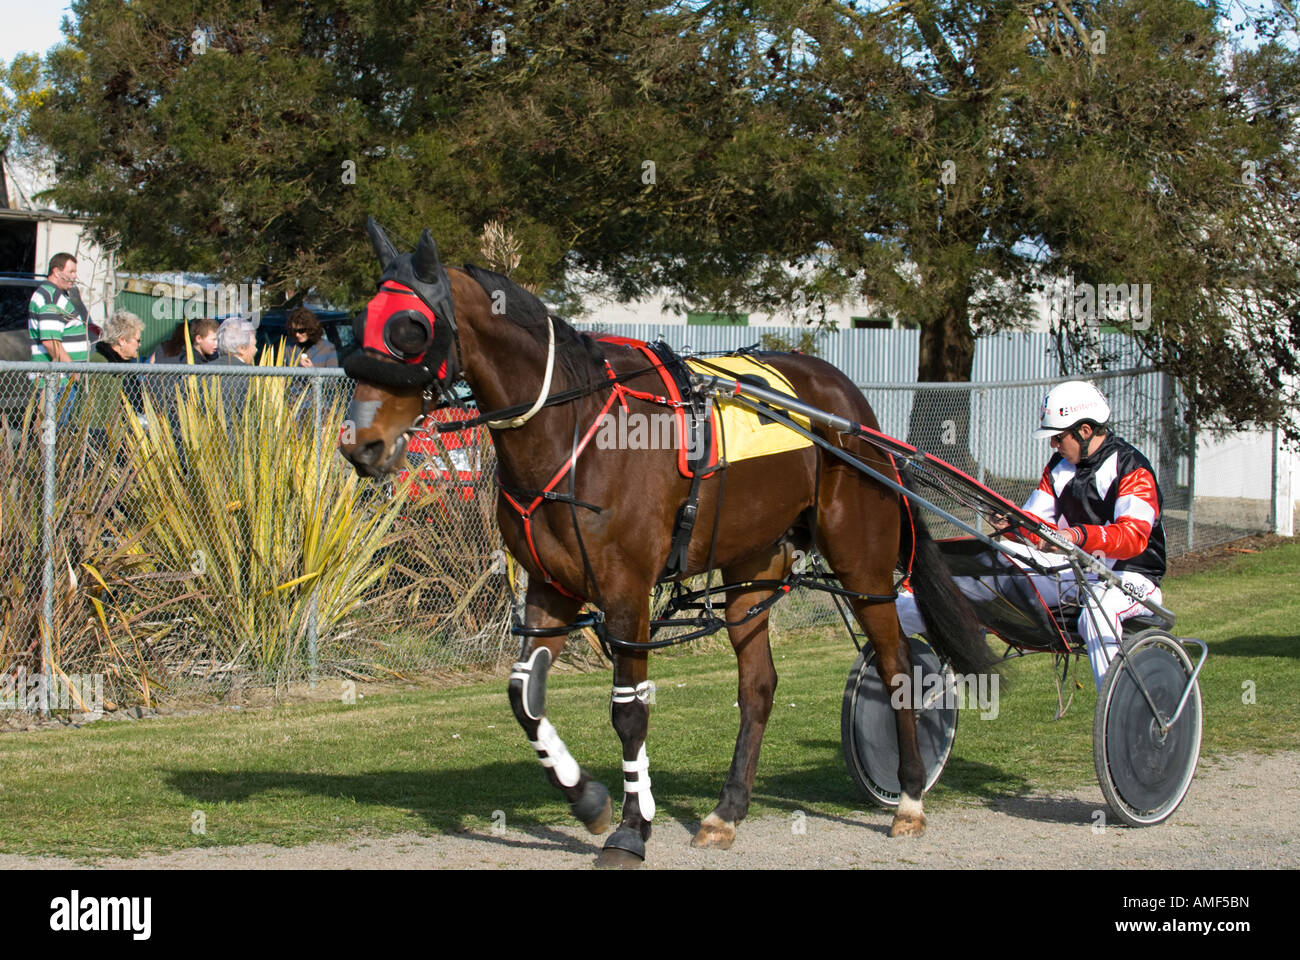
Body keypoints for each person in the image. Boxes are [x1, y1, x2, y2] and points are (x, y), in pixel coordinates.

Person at [896, 380, 1166, 689]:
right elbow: (1036, 527)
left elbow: (1134, 538)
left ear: (1086, 430)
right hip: (1075, 573)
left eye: (1058, 437)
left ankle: (1120, 703)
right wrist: (1010, 522)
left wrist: (1077, 536)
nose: (1053, 445)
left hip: (1132, 579)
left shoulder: (1133, 469)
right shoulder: (1059, 468)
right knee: (996, 565)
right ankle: (904, 614)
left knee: (1095, 615)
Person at [28, 254, 89, 414]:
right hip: (56, 382)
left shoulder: (57, 295)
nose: (75, 277)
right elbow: (50, 342)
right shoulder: (50, 298)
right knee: (54, 433)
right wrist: (74, 370)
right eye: (71, 271)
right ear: (56, 271)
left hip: (61, 380)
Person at [86, 309, 147, 433]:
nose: (139, 345)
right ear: (122, 340)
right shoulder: (101, 365)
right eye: (137, 340)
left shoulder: (125, 366)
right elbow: (99, 411)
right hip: (100, 434)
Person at [149, 318, 219, 364]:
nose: (217, 344)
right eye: (214, 339)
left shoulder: (162, 347)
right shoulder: (190, 359)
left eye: (218, 340)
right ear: (198, 338)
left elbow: (151, 363)